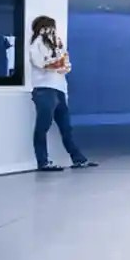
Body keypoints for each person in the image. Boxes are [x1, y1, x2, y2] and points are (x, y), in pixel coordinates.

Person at [29, 16, 97, 171]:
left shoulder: (57, 44)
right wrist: (56, 63)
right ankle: (43, 162)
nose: (51, 31)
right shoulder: (36, 44)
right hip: (44, 90)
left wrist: (62, 62)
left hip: (59, 90)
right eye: (48, 27)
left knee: (66, 128)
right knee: (43, 127)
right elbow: (42, 64)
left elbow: (65, 66)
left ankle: (78, 159)